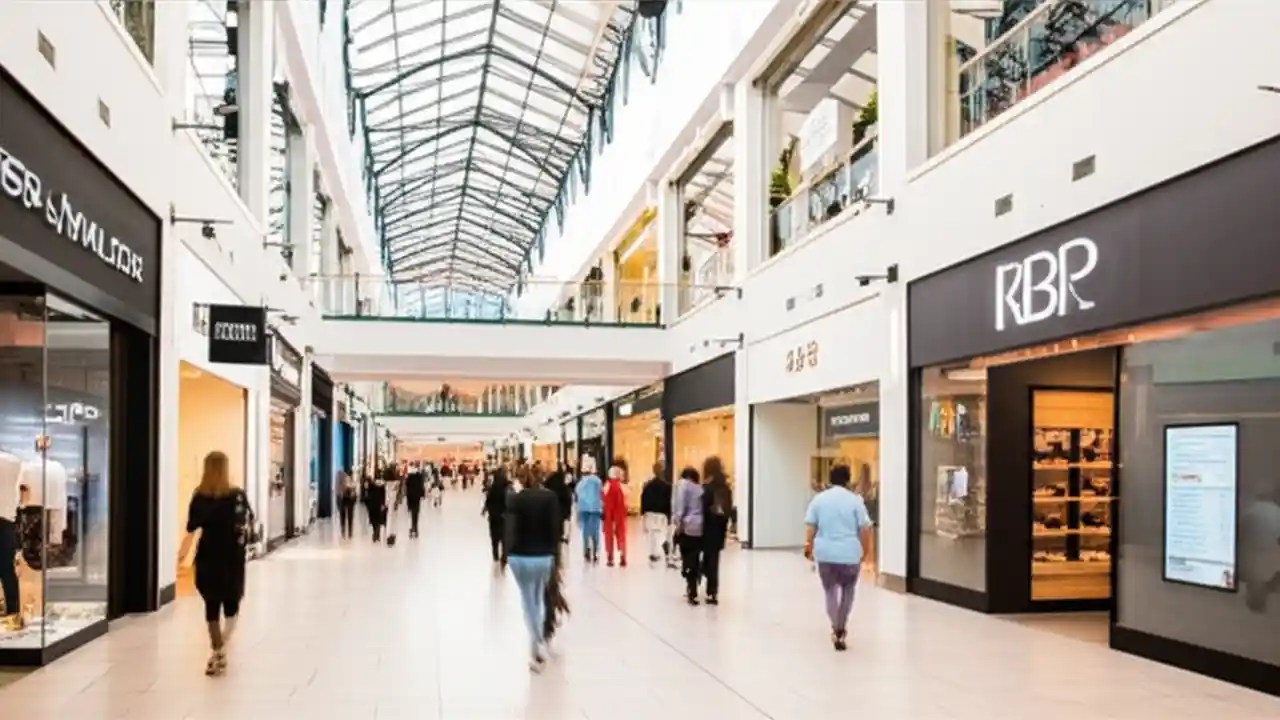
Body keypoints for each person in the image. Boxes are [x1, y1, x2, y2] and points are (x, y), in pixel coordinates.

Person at [177, 451, 253, 676]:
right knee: (232, 605)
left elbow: (191, 529)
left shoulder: (199, 496)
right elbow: (246, 524)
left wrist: (181, 555)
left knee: (211, 604)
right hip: (232, 556)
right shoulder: (236, 496)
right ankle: (219, 651)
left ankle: (217, 649)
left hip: (208, 555)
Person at [804, 464, 874, 651]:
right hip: (850, 554)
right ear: (847, 480)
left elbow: (810, 526)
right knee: (848, 590)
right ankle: (841, 625)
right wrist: (866, 552)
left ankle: (836, 627)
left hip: (825, 553)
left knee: (830, 591)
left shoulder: (819, 500)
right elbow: (865, 529)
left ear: (831, 479)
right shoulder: (855, 501)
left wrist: (808, 547)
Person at [503, 468, 561, 672]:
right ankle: (537, 646)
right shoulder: (550, 498)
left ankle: (537, 644)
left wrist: (505, 556)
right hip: (543, 556)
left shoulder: (514, 499)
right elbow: (556, 529)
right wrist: (555, 554)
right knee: (539, 598)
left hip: (520, 557)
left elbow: (509, 529)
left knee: (528, 600)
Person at [700, 457, 732, 606]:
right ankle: (713, 592)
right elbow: (729, 510)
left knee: (707, 558)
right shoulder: (725, 488)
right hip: (719, 529)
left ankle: (702, 577)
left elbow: (702, 508)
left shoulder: (707, 488)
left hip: (706, 528)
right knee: (714, 560)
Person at [673, 466, 705, 605]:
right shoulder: (700, 489)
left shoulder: (683, 485)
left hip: (687, 526)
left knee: (687, 557)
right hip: (700, 527)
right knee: (695, 556)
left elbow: (680, 506)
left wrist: (678, 523)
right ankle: (693, 585)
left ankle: (689, 582)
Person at [640, 462, 673, 565]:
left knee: (652, 535)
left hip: (650, 513)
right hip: (661, 514)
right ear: (662, 471)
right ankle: (663, 549)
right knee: (661, 534)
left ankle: (654, 553)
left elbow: (643, 499)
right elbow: (669, 502)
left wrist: (643, 512)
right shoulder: (667, 486)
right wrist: (669, 515)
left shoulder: (647, 485)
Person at [574, 456, 604, 564]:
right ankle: (595, 551)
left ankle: (586, 550)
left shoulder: (580, 483)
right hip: (595, 509)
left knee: (585, 531)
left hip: (583, 509)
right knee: (595, 531)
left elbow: (577, 495)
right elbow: (602, 494)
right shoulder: (598, 481)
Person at [602, 461, 629, 567]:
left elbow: (602, 499)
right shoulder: (623, 487)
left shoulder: (606, 486)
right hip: (620, 515)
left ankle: (610, 557)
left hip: (609, 515)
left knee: (609, 536)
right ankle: (623, 556)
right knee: (621, 535)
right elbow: (626, 502)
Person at [483, 468, 512, 563]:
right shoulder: (507, 486)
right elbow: (510, 499)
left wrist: (485, 509)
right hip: (503, 514)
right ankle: (504, 555)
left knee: (494, 536)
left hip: (493, 515)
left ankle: (495, 555)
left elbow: (488, 500)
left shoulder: (493, 487)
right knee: (504, 536)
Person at [544, 464, 573, 544]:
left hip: (550, 514)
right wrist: (568, 514)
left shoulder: (547, 484)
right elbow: (568, 500)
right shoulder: (564, 487)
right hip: (561, 513)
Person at [364, 473, 388, 542]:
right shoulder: (382, 485)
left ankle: (375, 533)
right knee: (378, 519)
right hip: (379, 504)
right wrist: (383, 504)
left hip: (372, 504)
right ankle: (377, 534)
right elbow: (384, 496)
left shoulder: (371, 485)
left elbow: (367, 493)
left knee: (374, 520)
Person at [404, 464, 426, 538]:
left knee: (412, 512)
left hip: (410, 496)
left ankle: (413, 527)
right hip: (417, 497)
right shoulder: (420, 476)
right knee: (416, 512)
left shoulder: (409, 477)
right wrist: (423, 495)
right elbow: (422, 486)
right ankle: (415, 528)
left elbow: (406, 485)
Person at [337, 471, 358, 539]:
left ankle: (349, 532)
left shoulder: (352, 483)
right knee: (344, 516)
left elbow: (354, 494)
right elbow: (340, 493)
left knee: (349, 517)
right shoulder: (343, 483)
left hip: (349, 501)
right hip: (344, 500)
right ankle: (344, 532)